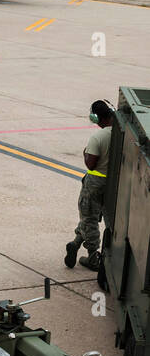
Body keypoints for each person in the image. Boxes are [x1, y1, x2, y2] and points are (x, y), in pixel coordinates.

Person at [66, 100, 114, 271]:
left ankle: (93, 257)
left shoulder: (98, 137)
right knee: (90, 216)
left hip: (94, 183)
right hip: (113, 184)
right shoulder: (120, 134)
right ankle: (75, 243)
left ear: (96, 118)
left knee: (89, 218)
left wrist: (85, 153)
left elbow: (91, 164)